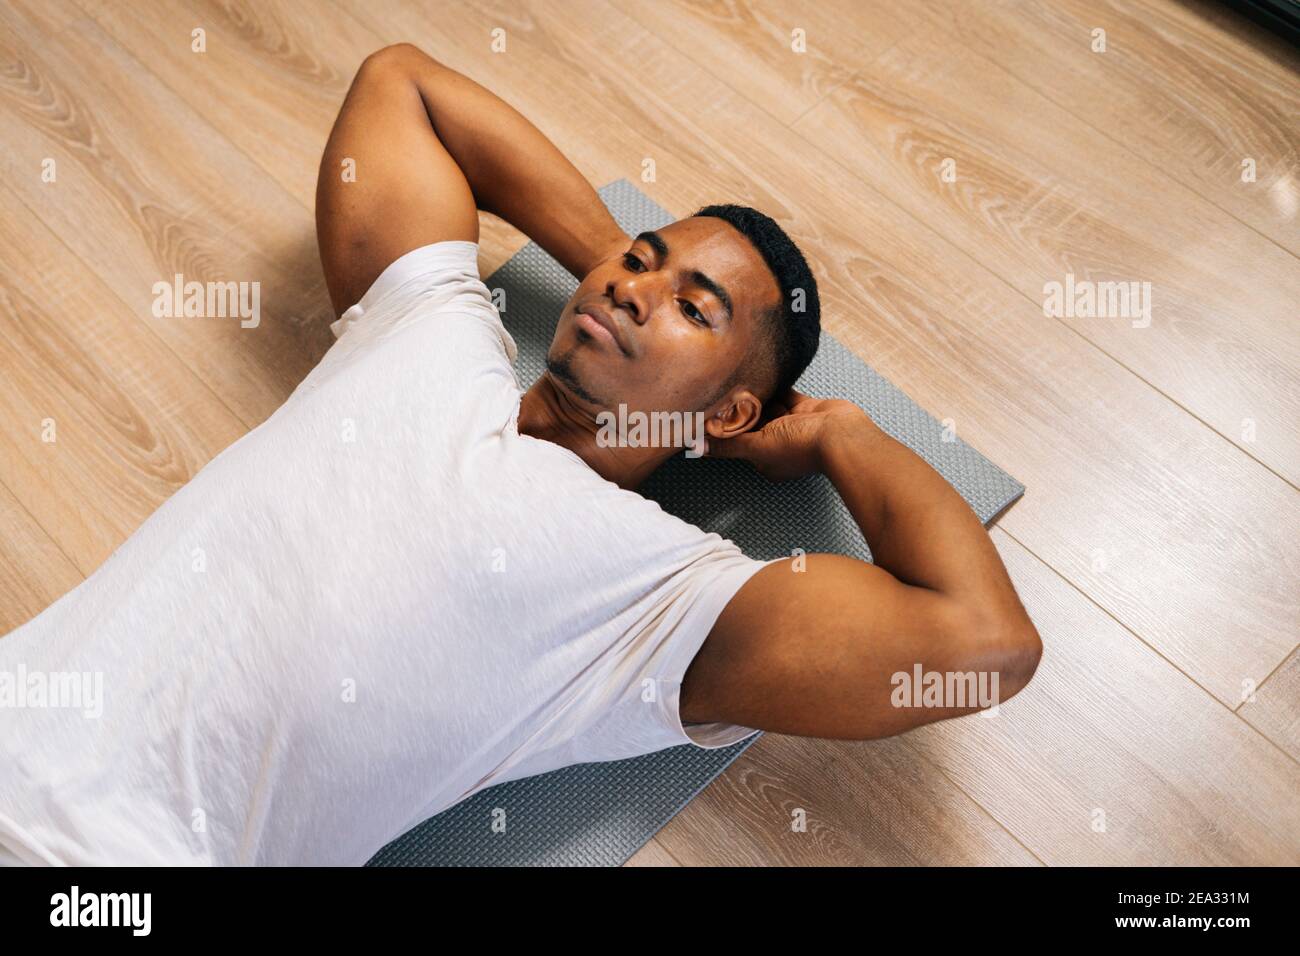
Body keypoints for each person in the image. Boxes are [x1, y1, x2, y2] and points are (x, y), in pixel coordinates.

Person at [0, 44, 1040, 866]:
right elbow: (401, 84)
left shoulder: (659, 599)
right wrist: (612, 268)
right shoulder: (432, 333)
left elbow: (982, 645)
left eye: (691, 306)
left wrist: (836, 430)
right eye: (639, 258)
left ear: (727, 416)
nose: (636, 285)